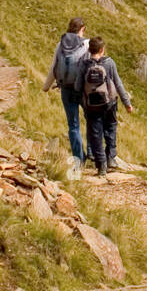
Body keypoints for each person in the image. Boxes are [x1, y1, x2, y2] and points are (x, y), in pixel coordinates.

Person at [76, 37, 132, 177]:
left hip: (91, 106)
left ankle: (101, 166)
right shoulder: (109, 63)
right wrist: (127, 103)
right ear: (102, 50)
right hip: (110, 103)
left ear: (89, 50)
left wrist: (82, 100)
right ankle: (111, 157)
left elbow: (77, 86)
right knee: (111, 128)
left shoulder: (83, 65)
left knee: (95, 134)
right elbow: (118, 84)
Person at [43, 17, 89, 177]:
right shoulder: (86, 44)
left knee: (73, 125)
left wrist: (46, 86)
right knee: (91, 119)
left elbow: (53, 67)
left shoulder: (60, 45)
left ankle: (79, 160)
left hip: (66, 89)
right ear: (82, 29)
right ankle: (93, 153)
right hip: (83, 90)